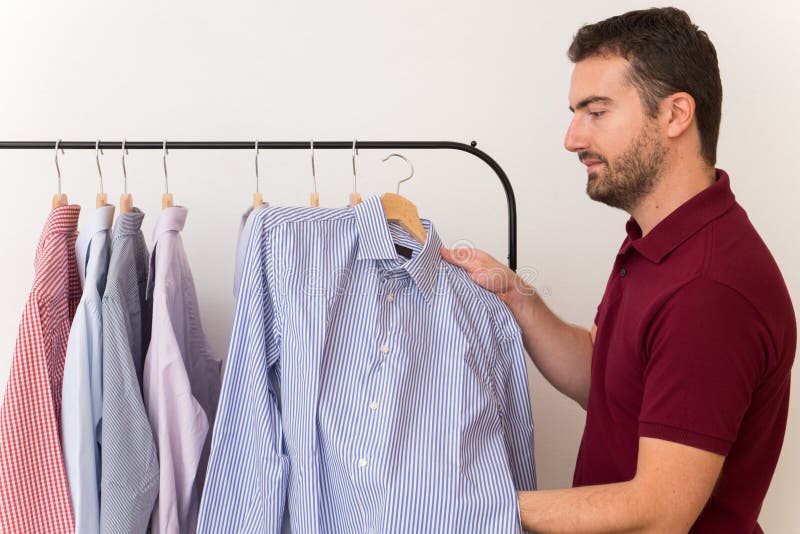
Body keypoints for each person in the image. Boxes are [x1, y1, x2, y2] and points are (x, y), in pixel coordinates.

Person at [441, 7, 796, 533]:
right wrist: (519, 298)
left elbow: (658, 514)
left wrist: (463, 500)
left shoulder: (707, 289)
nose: (572, 138)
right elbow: (612, 387)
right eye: (575, 112)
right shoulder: (657, 244)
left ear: (676, 114)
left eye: (596, 111)